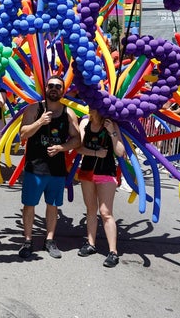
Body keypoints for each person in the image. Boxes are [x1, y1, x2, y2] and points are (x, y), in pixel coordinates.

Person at [17, 77, 80, 259]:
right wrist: (40, 122)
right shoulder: (34, 109)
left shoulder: (68, 113)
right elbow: (23, 134)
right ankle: (27, 241)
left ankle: (50, 240)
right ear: (45, 88)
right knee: (29, 205)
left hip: (56, 170)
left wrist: (62, 147)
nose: (54, 89)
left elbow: (77, 139)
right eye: (51, 86)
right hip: (35, 168)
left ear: (63, 90)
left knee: (53, 206)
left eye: (58, 87)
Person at [76, 109, 126, 267]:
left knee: (105, 212)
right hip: (87, 172)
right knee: (91, 209)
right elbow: (78, 147)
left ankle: (113, 252)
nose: (91, 108)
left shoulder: (111, 124)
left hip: (106, 172)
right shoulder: (85, 122)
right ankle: (90, 244)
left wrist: (112, 132)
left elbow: (120, 152)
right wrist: (96, 153)